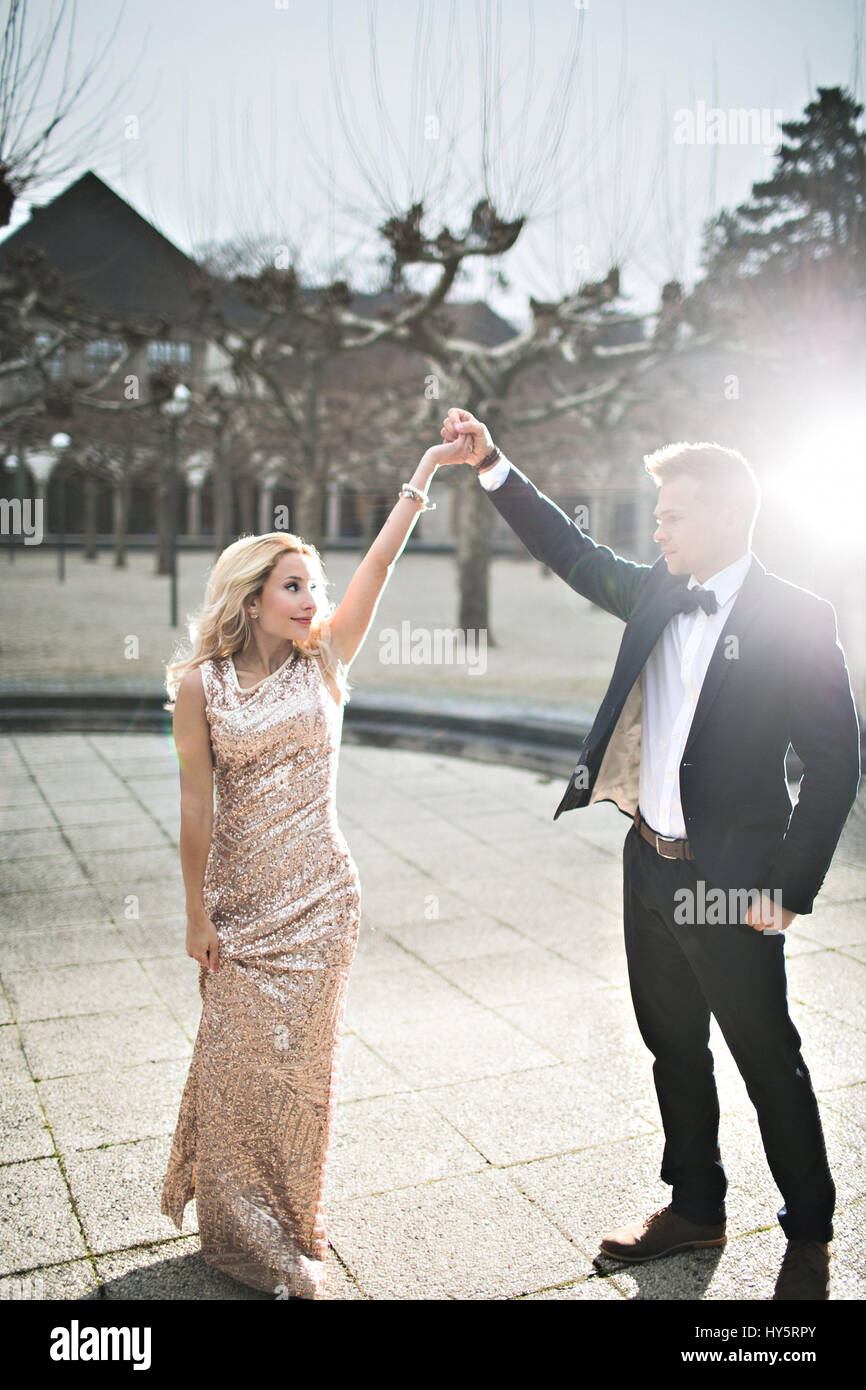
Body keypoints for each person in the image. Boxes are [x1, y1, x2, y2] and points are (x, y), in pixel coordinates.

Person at [440, 406, 861, 1301]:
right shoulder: (659, 589)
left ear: (729, 519)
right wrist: (493, 466)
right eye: (659, 514)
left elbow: (834, 763)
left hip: (735, 883)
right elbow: (572, 553)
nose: (658, 527)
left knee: (765, 1056)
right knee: (672, 1045)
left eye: (674, 515)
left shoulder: (797, 616)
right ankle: (695, 1205)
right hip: (646, 862)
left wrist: (789, 887)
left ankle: (812, 1234)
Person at [160, 426, 473, 1298]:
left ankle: (291, 1223)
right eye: (291, 585)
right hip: (240, 905)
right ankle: (235, 1230)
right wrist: (194, 916)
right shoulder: (199, 686)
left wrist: (422, 474)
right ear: (251, 596)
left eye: (312, 585)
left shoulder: (325, 661)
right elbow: (194, 806)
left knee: (301, 1072)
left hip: (324, 898)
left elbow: (378, 565)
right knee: (234, 1065)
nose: (309, 598)